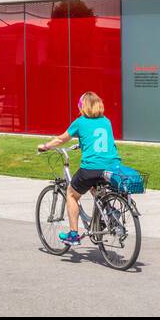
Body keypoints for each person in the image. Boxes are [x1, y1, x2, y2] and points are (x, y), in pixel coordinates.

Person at [36, 91, 122, 244]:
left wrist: (45, 146)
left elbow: (62, 139)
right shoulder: (106, 121)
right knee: (94, 186)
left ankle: (73, 234)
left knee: (71, 194)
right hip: (112, 166)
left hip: (91, 168)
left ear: (83, 107)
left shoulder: (80, 122)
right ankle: (108, 211)